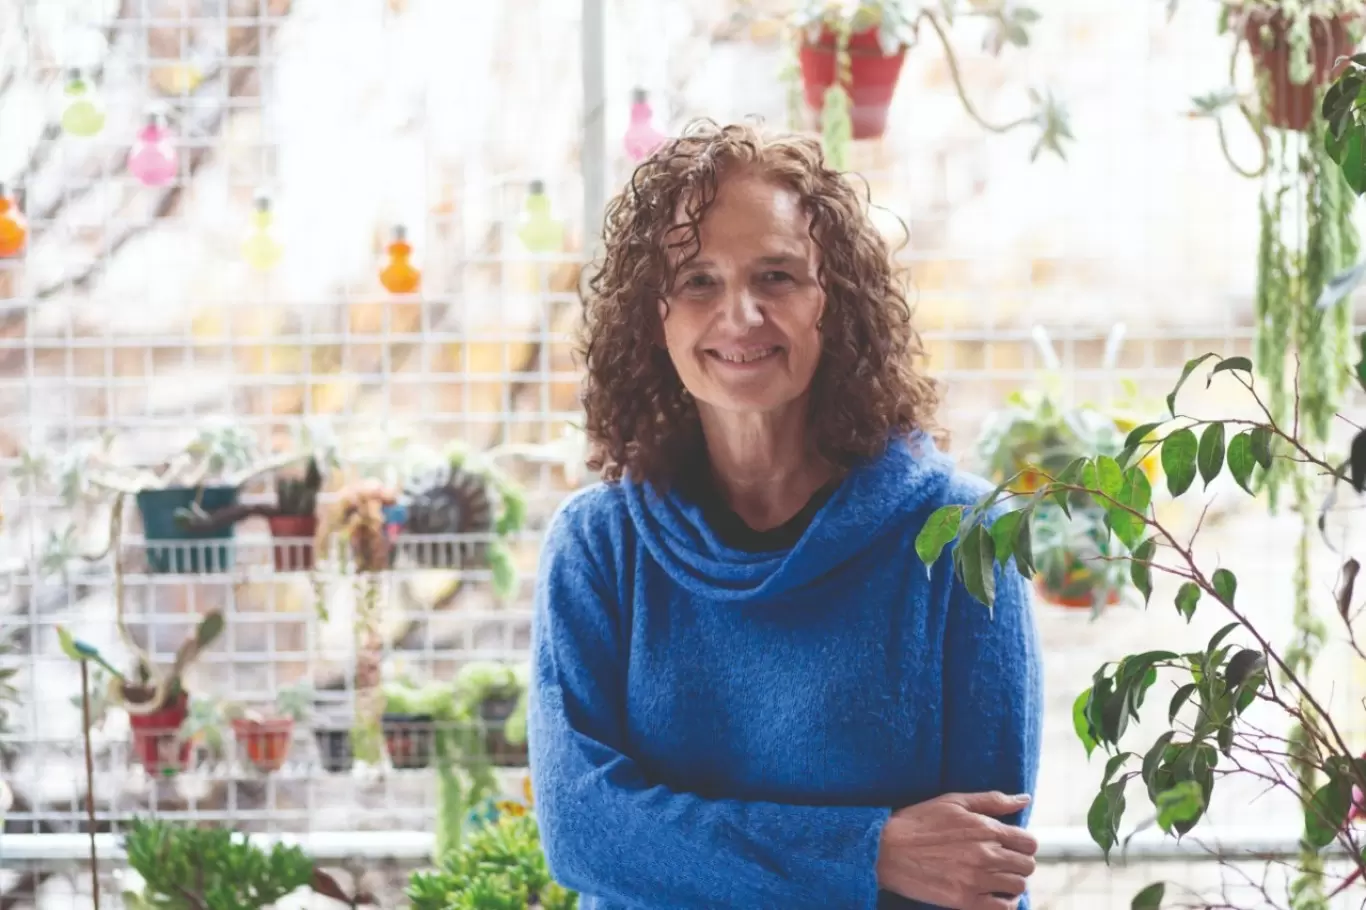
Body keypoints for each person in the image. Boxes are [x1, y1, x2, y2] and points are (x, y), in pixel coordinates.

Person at [527, 121, 1043, 910]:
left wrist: (680, 850)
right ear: (651, 316)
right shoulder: (599, 547)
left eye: (777, 276)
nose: (740, 315)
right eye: (698, 280)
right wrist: (867, 853)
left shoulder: (959, 536)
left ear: (835, 302)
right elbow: (582, 832)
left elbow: (979, 867)